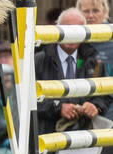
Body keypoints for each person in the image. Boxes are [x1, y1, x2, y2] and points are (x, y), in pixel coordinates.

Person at [35, 8, 111, 139]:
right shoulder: (38, 60)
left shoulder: (94, 61)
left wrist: (95, 106)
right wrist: (58, 108)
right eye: (67, 29)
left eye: (77, 30)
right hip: (46, 140)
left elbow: (105, 95)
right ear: (57, 29)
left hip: (83, 141)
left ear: (84, 33)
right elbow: (27, 100)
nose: (72, 34)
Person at [76, 0, 113, 71]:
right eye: (86, 11)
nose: (91, 15)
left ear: (104, 12)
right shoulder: (72, 39)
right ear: (79, 12)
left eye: (95, 11)